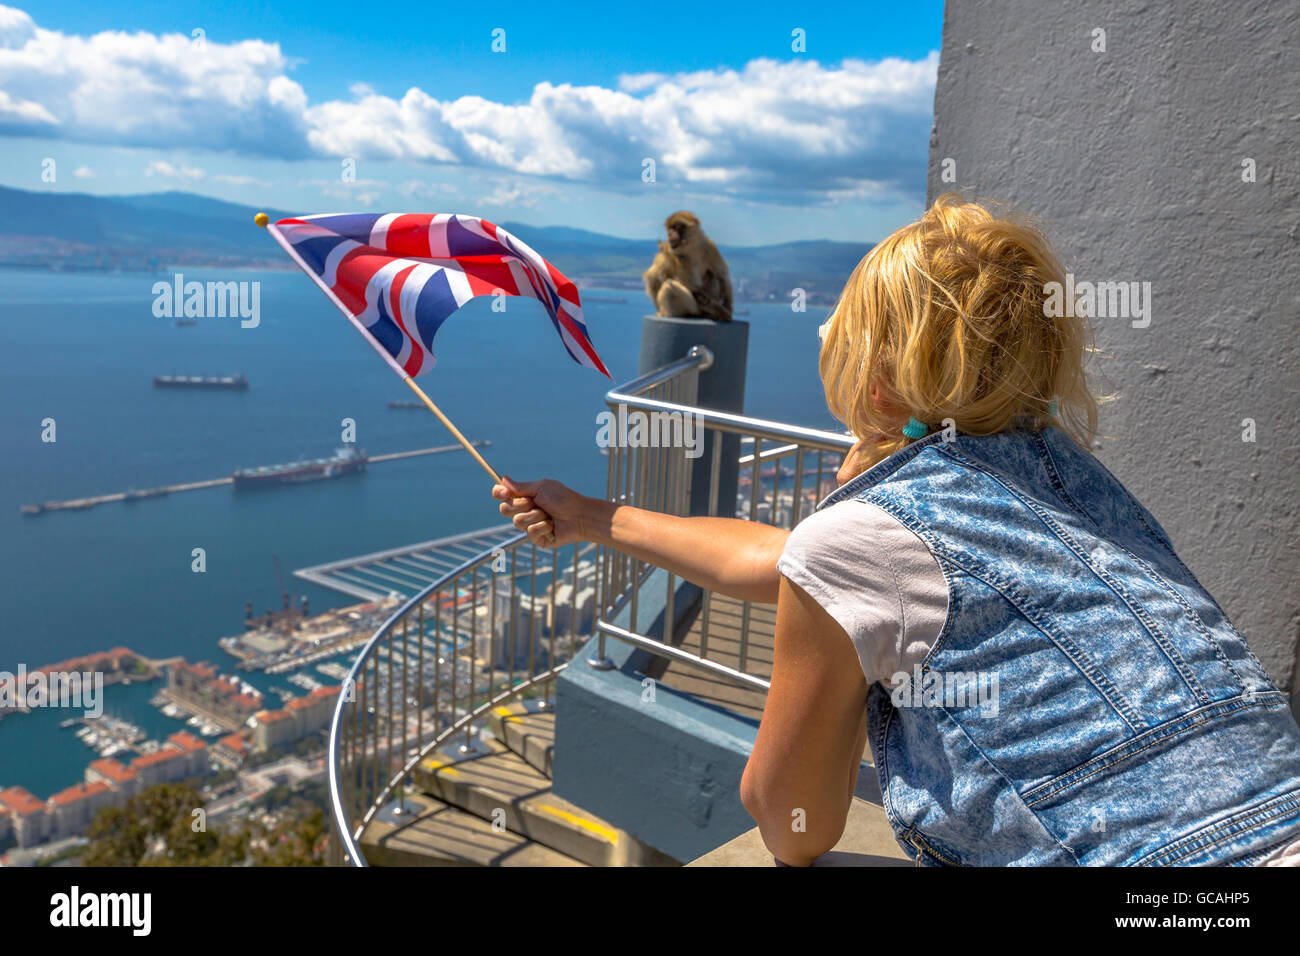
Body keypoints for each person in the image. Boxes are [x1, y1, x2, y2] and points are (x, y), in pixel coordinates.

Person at [491, 194, 1300, 867]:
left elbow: (790, 822)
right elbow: (801, 566)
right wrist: (597, 518)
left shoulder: (862, 542)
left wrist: (844, 657)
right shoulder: (1076, 481)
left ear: (877, 383)